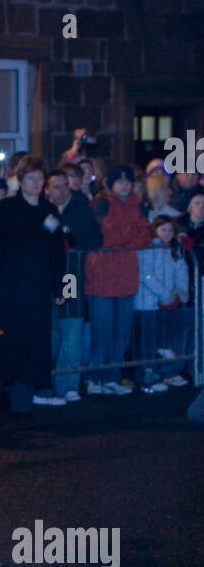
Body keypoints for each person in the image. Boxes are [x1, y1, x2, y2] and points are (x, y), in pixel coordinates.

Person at [0, 157, 66, 415]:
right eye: (31, 179)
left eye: (40, 179)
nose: (36, 184)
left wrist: (60, 287)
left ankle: (22, 405)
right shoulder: (7, 207)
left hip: (37, 291)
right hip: (9, 289)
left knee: (31, 347)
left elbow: (57, 252)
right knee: (0, 346)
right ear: (21, 181)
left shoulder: (50, 210)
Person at [84, 164, 151, 396]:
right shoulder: (99, 203)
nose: (125, 184)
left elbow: (145, 235)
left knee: (121, 333)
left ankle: (111, 375)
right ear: (110, 183)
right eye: (119, 180)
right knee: (101, 331)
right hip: (102, 275)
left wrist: (124, 241)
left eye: (128, 181)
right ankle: (95, 377)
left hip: (126, 276)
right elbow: (104, 236)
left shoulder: (137, 204)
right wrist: (127, 238)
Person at [45, 169, 103, 402]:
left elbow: (94, 239)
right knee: (49, 330)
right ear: (47, 189)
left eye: (64, 185)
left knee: (71, 326)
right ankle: (45, 382)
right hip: (46, 276)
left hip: (71, 275)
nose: (60, 190)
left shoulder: (80, 208)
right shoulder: (41, 209)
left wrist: (66, 233)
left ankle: (68, 382)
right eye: (55, 186)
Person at [134, 216, 191, 392]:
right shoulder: (148, 247)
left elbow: (182, 271)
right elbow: (146, 273)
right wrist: (164, 294)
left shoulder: (175, 249)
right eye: (163, 229)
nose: (167, 233)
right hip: (147, 301)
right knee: (147, 341)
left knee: (182, 321)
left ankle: (167, 370)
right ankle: (147, 377)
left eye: (170, 230)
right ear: (155, 229)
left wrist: (181, 291)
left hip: (168, 300)